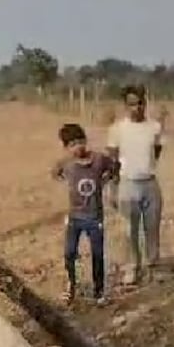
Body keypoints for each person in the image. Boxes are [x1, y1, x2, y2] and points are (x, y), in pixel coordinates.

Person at [53, 123, 118, 304]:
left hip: (95, 217)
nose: (78, 147)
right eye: (72, 144)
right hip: (75, 217)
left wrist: (106, 181)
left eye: (80, 141)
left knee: (97, 254)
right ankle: (70, 285)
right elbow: (55, 173)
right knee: (69, 253)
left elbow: (114, 167)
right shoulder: (66, 164)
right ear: (66, 147)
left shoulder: (99, 160)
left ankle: (99, 292)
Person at [107, 84, 164, 285]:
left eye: (140, 103)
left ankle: (153, 265)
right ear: (126, 105)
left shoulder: (154, 127)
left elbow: (156, 152)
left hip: (149, 183)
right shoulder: (117, 129)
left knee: (152, 228)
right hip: (127, 184)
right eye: (132, 104)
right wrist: (113, 189)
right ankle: (132, 267)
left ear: (145, 103)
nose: (137, 108)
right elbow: (112, 162)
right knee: (129, 230)